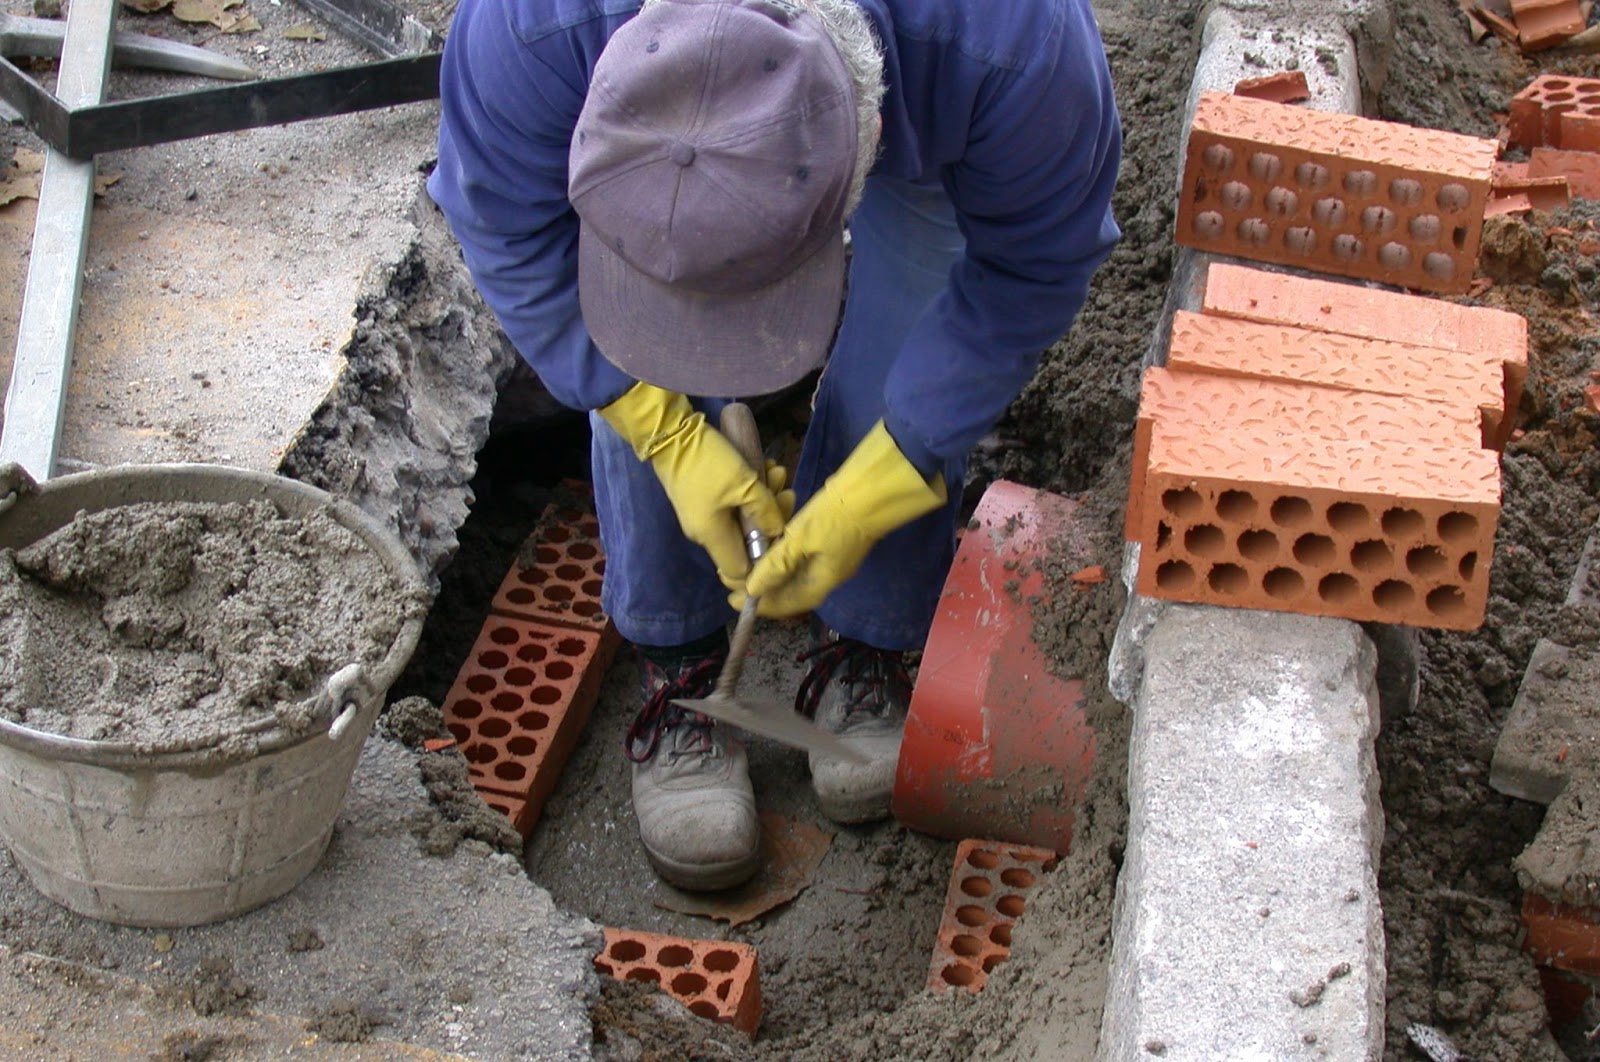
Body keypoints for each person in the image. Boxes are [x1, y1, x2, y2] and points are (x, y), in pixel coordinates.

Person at [429, 0, 1121, 891]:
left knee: (914, 340)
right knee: (627, 351)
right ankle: (680, 659)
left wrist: (881, 482)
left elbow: (1031, 266)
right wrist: (665, 431)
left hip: (926, 107)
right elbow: (502, 225)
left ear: (870, 134)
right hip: (624, 144)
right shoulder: (533, 33)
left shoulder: (1009, 50)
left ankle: (864, 638)